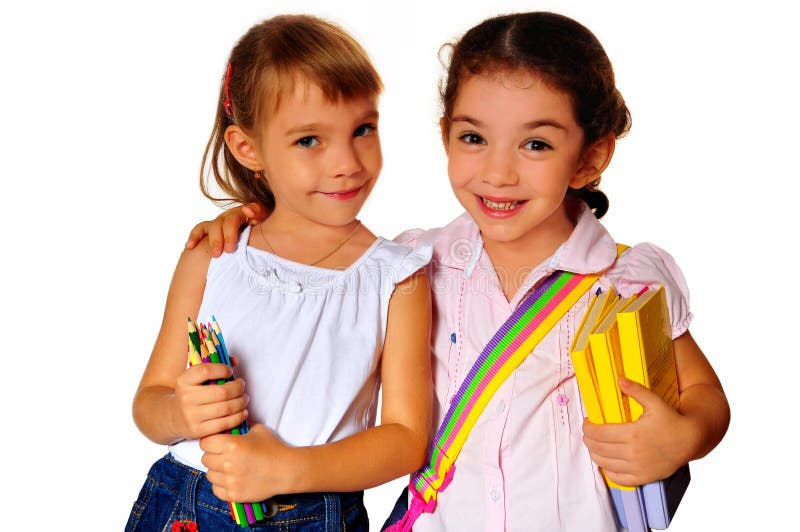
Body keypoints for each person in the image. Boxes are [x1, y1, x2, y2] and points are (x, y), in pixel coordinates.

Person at [185, 11, 730, 532]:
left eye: (535, 144)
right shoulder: (416, 265)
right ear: (445, 134)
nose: (498, 172)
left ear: (589, 158)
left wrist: (683, 436)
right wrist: (249, 218)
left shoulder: (624, 282)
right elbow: (319, 250)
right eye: (474, 138)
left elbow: (705, 395)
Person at [127, 14, 433, 532]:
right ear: (248, 148)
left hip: (314, 512)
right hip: (185, 504)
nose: (346, 163)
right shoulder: (214, 253)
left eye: (363, 129)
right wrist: (182, 414)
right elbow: (148, 402)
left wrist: (288, 468)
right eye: (309, 140)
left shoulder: (397, 277)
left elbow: (406, 438)